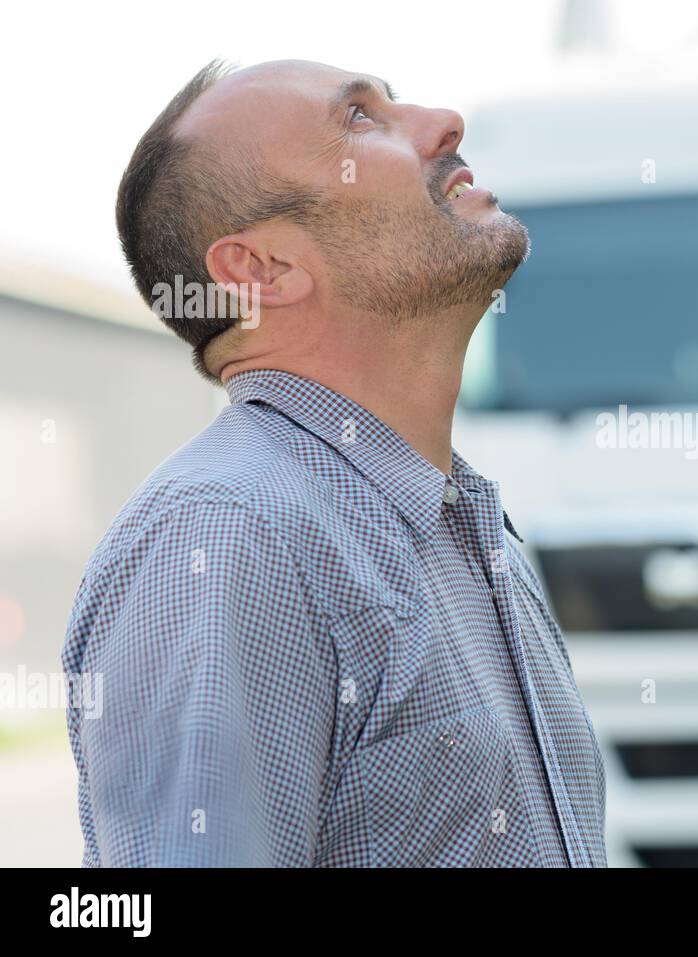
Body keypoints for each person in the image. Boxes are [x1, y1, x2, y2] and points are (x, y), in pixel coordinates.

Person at [62, 59, 606, 866]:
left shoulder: (460, 524)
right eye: (358, 120)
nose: (443, 121)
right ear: (262, 271)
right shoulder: (223, 538)